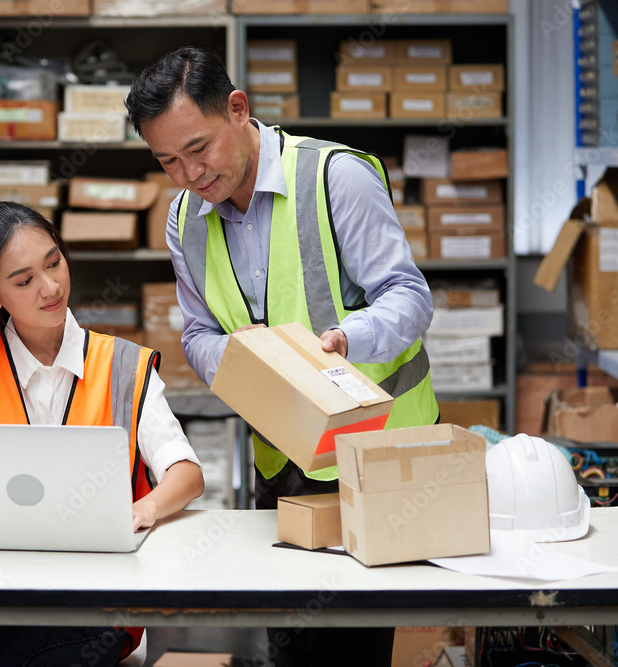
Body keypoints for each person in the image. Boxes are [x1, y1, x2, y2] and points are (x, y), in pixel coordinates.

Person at [126, 47, 439, 666]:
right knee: (291, 649)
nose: (189, 174)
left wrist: (346, 341)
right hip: (284, 463)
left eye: (199, 148)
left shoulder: (334, 177)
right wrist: (247, 366)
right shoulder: (185, 219)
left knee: (355, 653)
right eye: (168, 161)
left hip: (376, 456)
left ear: (238, 109)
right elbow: (197, 333)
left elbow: (408, 295)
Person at [0, 201, 205, 667]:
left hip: (96, 605)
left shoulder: (125, 366)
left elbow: (187, 473)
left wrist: (142, 510)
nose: (51, 286)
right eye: (24, 280)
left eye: (54, 262)